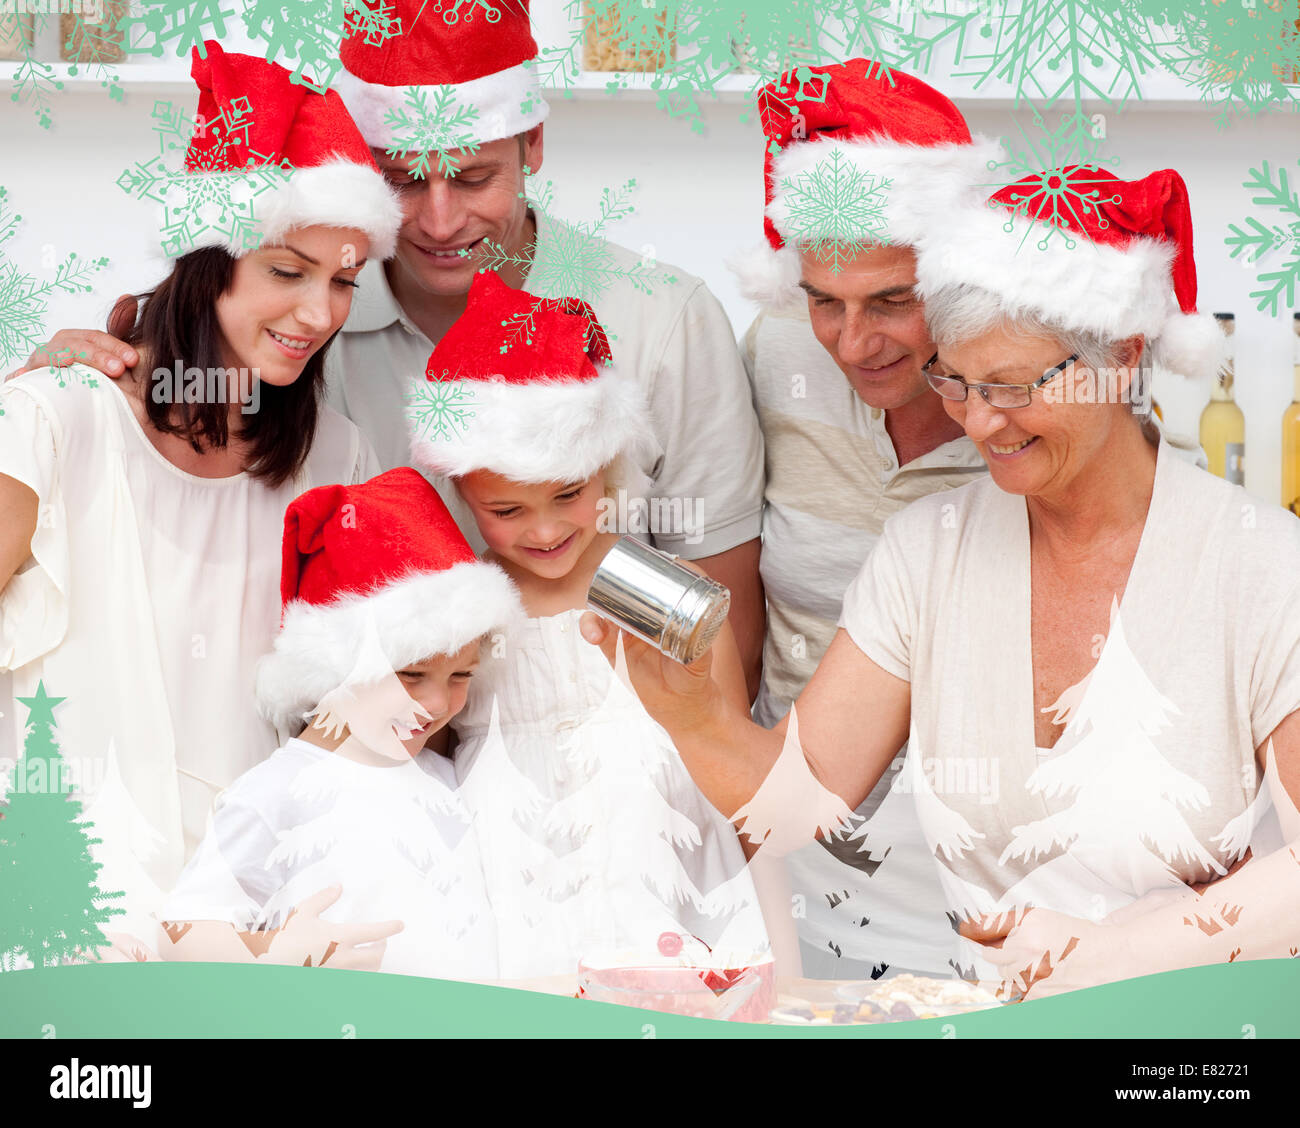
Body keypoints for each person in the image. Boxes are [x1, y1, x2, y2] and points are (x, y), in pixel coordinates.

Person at [583, 164, 1300, 999]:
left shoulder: (1259, 563)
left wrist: (1119, 956)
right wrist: (695, 716)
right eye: (958, 382)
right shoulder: (928, 550)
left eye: (1013, 387)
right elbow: (795, 808)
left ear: (1123, 358)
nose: (978, 423)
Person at [19, 0, 769, 698]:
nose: (439, 222)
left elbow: (725, 622)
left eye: (474, 176)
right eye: (403, 180)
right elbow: (187, 432)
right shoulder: (302, 345)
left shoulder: (665, 320)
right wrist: (71, 380)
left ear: (533, 143)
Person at [0, 43, 401, 895]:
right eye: (287, 272)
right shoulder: (55, 417)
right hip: (63, 897)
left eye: (343, 281)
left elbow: (351, 707)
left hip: (252, 904)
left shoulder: (338, 457)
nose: (320, 311)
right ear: (205, 264)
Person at [408, 272, 770, 978]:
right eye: (506, 510)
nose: (543, 531)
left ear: (607, 465)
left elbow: (732, 756)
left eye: (567, 496)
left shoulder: (668, 592)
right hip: (515, 904)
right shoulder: (462, 611)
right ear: (459, 486)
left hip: (668, 898)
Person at [729, 59, 999, 979]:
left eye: (893, 300)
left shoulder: (1032, 409)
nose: (855, 342)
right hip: (791, 840)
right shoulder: (771, 356)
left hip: (977, 861)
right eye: (824, 302)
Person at [158, 468, 522, 978]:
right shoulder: (277, 791)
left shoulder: (448, 780)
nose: (438, 702)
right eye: (411, 675)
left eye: (461, 674)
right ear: (335, 669)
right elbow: (180, 933)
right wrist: (275, 953)